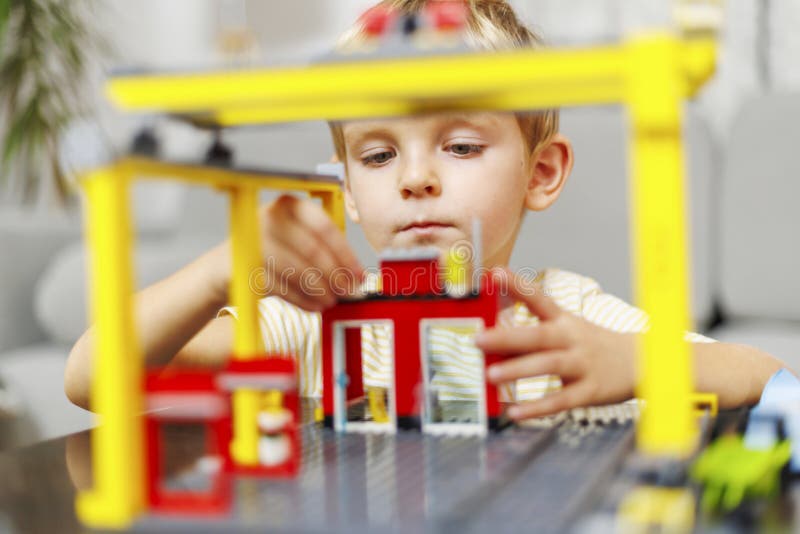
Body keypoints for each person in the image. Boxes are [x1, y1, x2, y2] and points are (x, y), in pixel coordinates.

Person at [65, 0, 785, 422]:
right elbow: (93, 377)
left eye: (461, 145)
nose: (414, 179)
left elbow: (768, 377)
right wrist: (224, 270)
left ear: (542, 172)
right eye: (377, 157)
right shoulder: (312, 325)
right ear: (346, 188)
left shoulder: (565, 317)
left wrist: (633, 361)